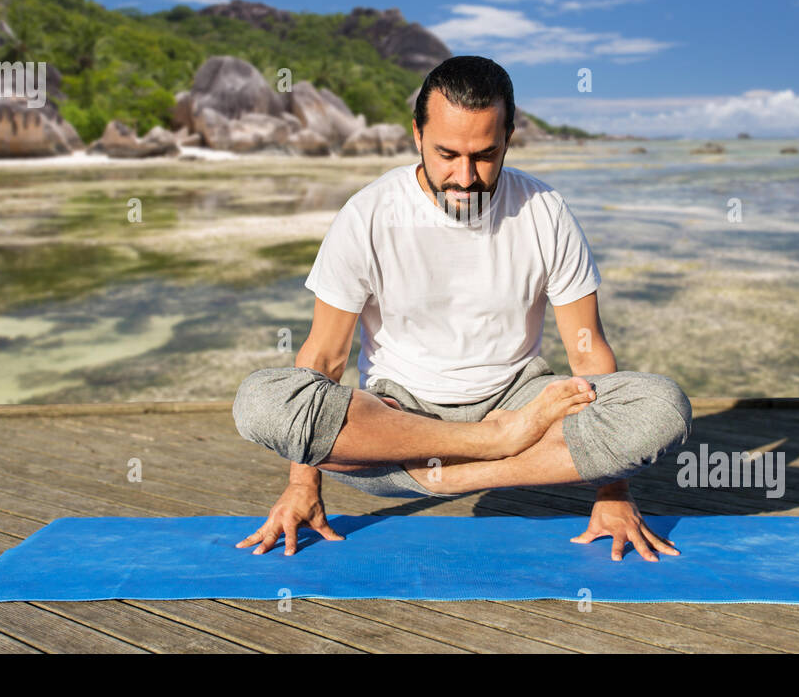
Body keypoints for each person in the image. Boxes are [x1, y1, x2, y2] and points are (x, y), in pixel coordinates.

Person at [232, 55, 692, 562]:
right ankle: (490, 446)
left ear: (509, 138)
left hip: (517, 404)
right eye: (447, 153)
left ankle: (466, 462)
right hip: (400, 419)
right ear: (417, 135)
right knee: (263, 402)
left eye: (485, 155)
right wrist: (303, 485)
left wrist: (614, 494)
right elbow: (323, 359)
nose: (465, 177)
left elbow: (589, 355)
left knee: (660, 407)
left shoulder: (544, 211)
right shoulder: (368, 213)